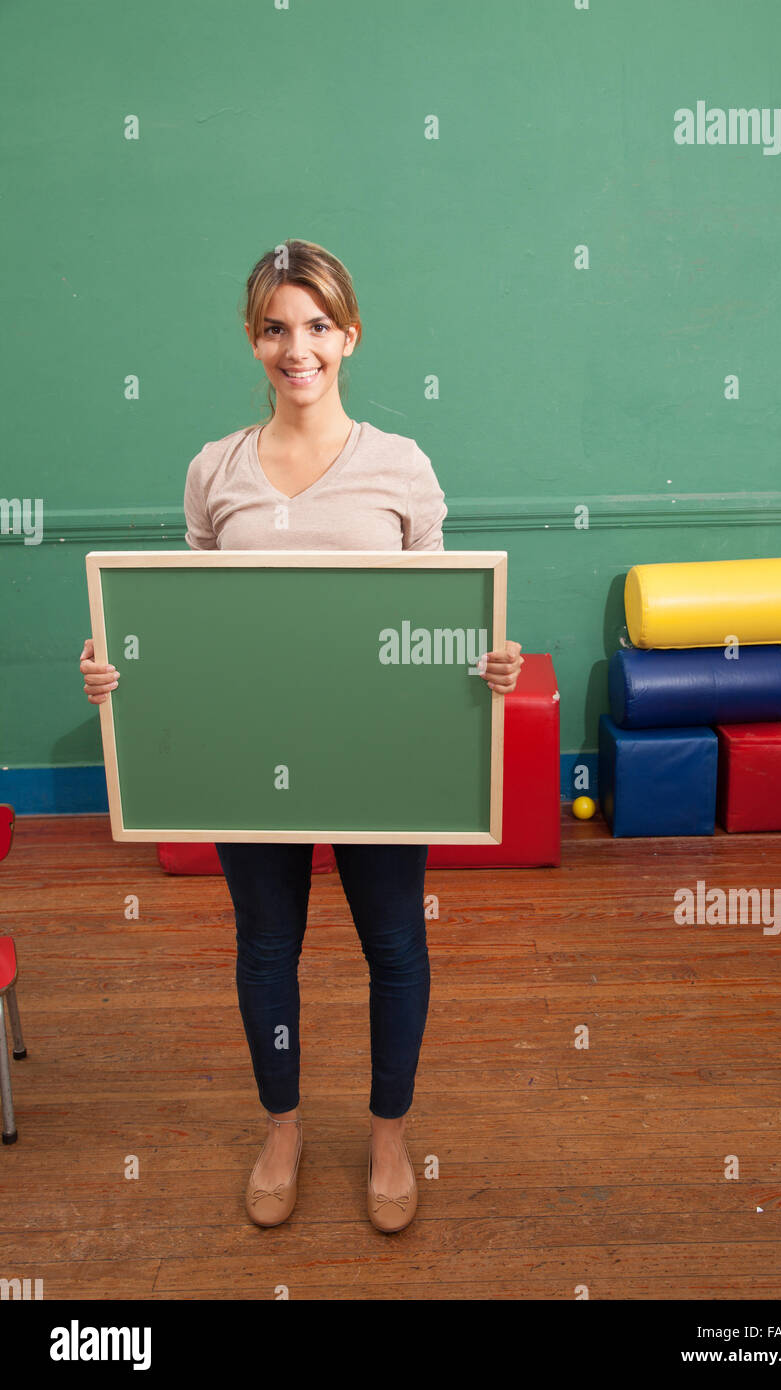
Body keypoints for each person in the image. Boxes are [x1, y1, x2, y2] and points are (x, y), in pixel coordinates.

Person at [80, 238, 523, 1233]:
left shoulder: (400, 467)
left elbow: (447, 615)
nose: (298, 347)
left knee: (394, 945)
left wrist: (485, 659)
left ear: (349, 333)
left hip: (379, 762)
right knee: (266, 945)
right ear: (253, 340)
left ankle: (387, 1134)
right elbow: (186, 627)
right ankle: (280, 1127)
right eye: (277, 328)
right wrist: (119, 664)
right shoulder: (214, 470)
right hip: (253, 763)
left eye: (317, 324)